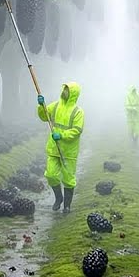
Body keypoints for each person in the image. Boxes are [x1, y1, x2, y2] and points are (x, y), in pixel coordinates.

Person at [37, 82, 84, 212]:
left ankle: (67, 206)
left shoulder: (78, 111)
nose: (64, 92)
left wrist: (62, 135)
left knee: (68, 179)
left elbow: (77, 130)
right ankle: (59, 198)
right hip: (54, 149)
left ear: (73, 94)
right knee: (51, 175)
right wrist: (41, 105)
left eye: (67, 90)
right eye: (64, 89)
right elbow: (44, 116)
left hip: (69, 151)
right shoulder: (56, 105)